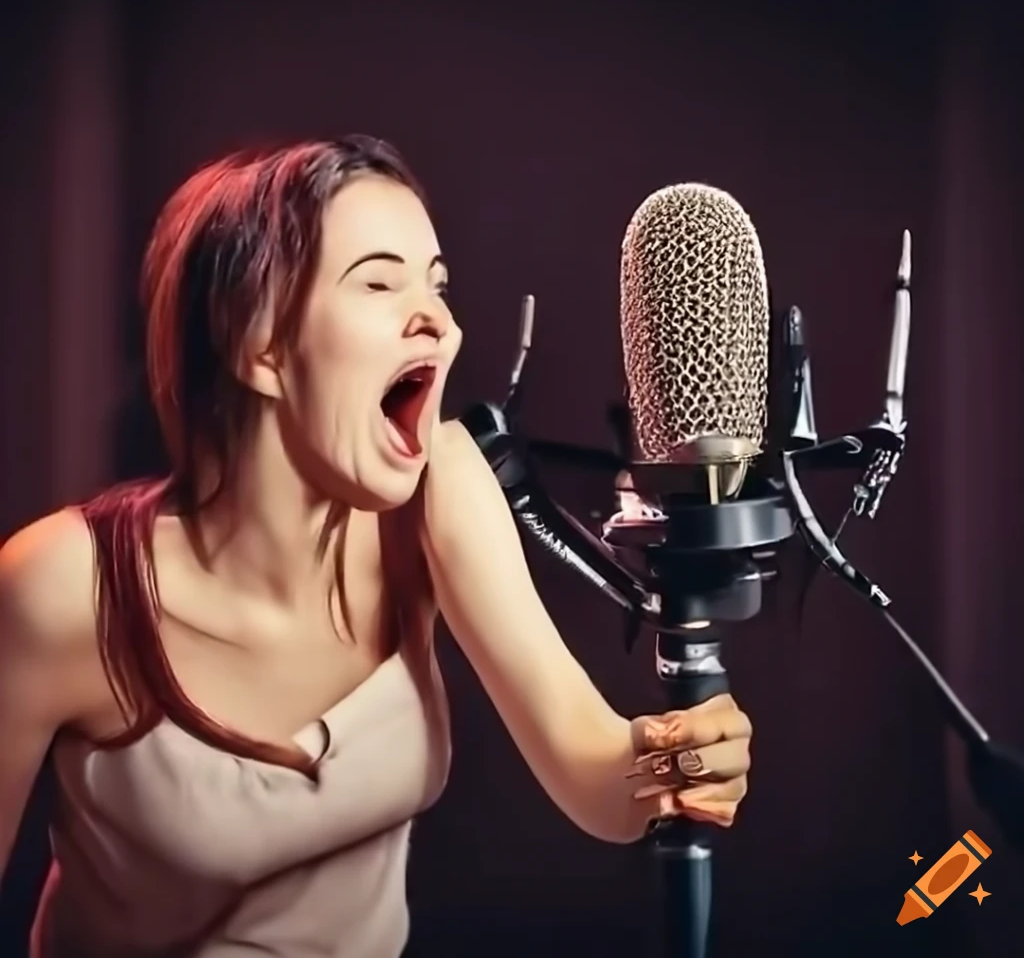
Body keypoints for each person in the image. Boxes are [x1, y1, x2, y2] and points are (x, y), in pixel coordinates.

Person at [0, 136, 753, 958]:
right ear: (260, 343)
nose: (442, 321)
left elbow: (597, 777)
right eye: (381, 282)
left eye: (437, 285)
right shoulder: (64, 588)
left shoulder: (441, 487)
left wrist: (680, 762)